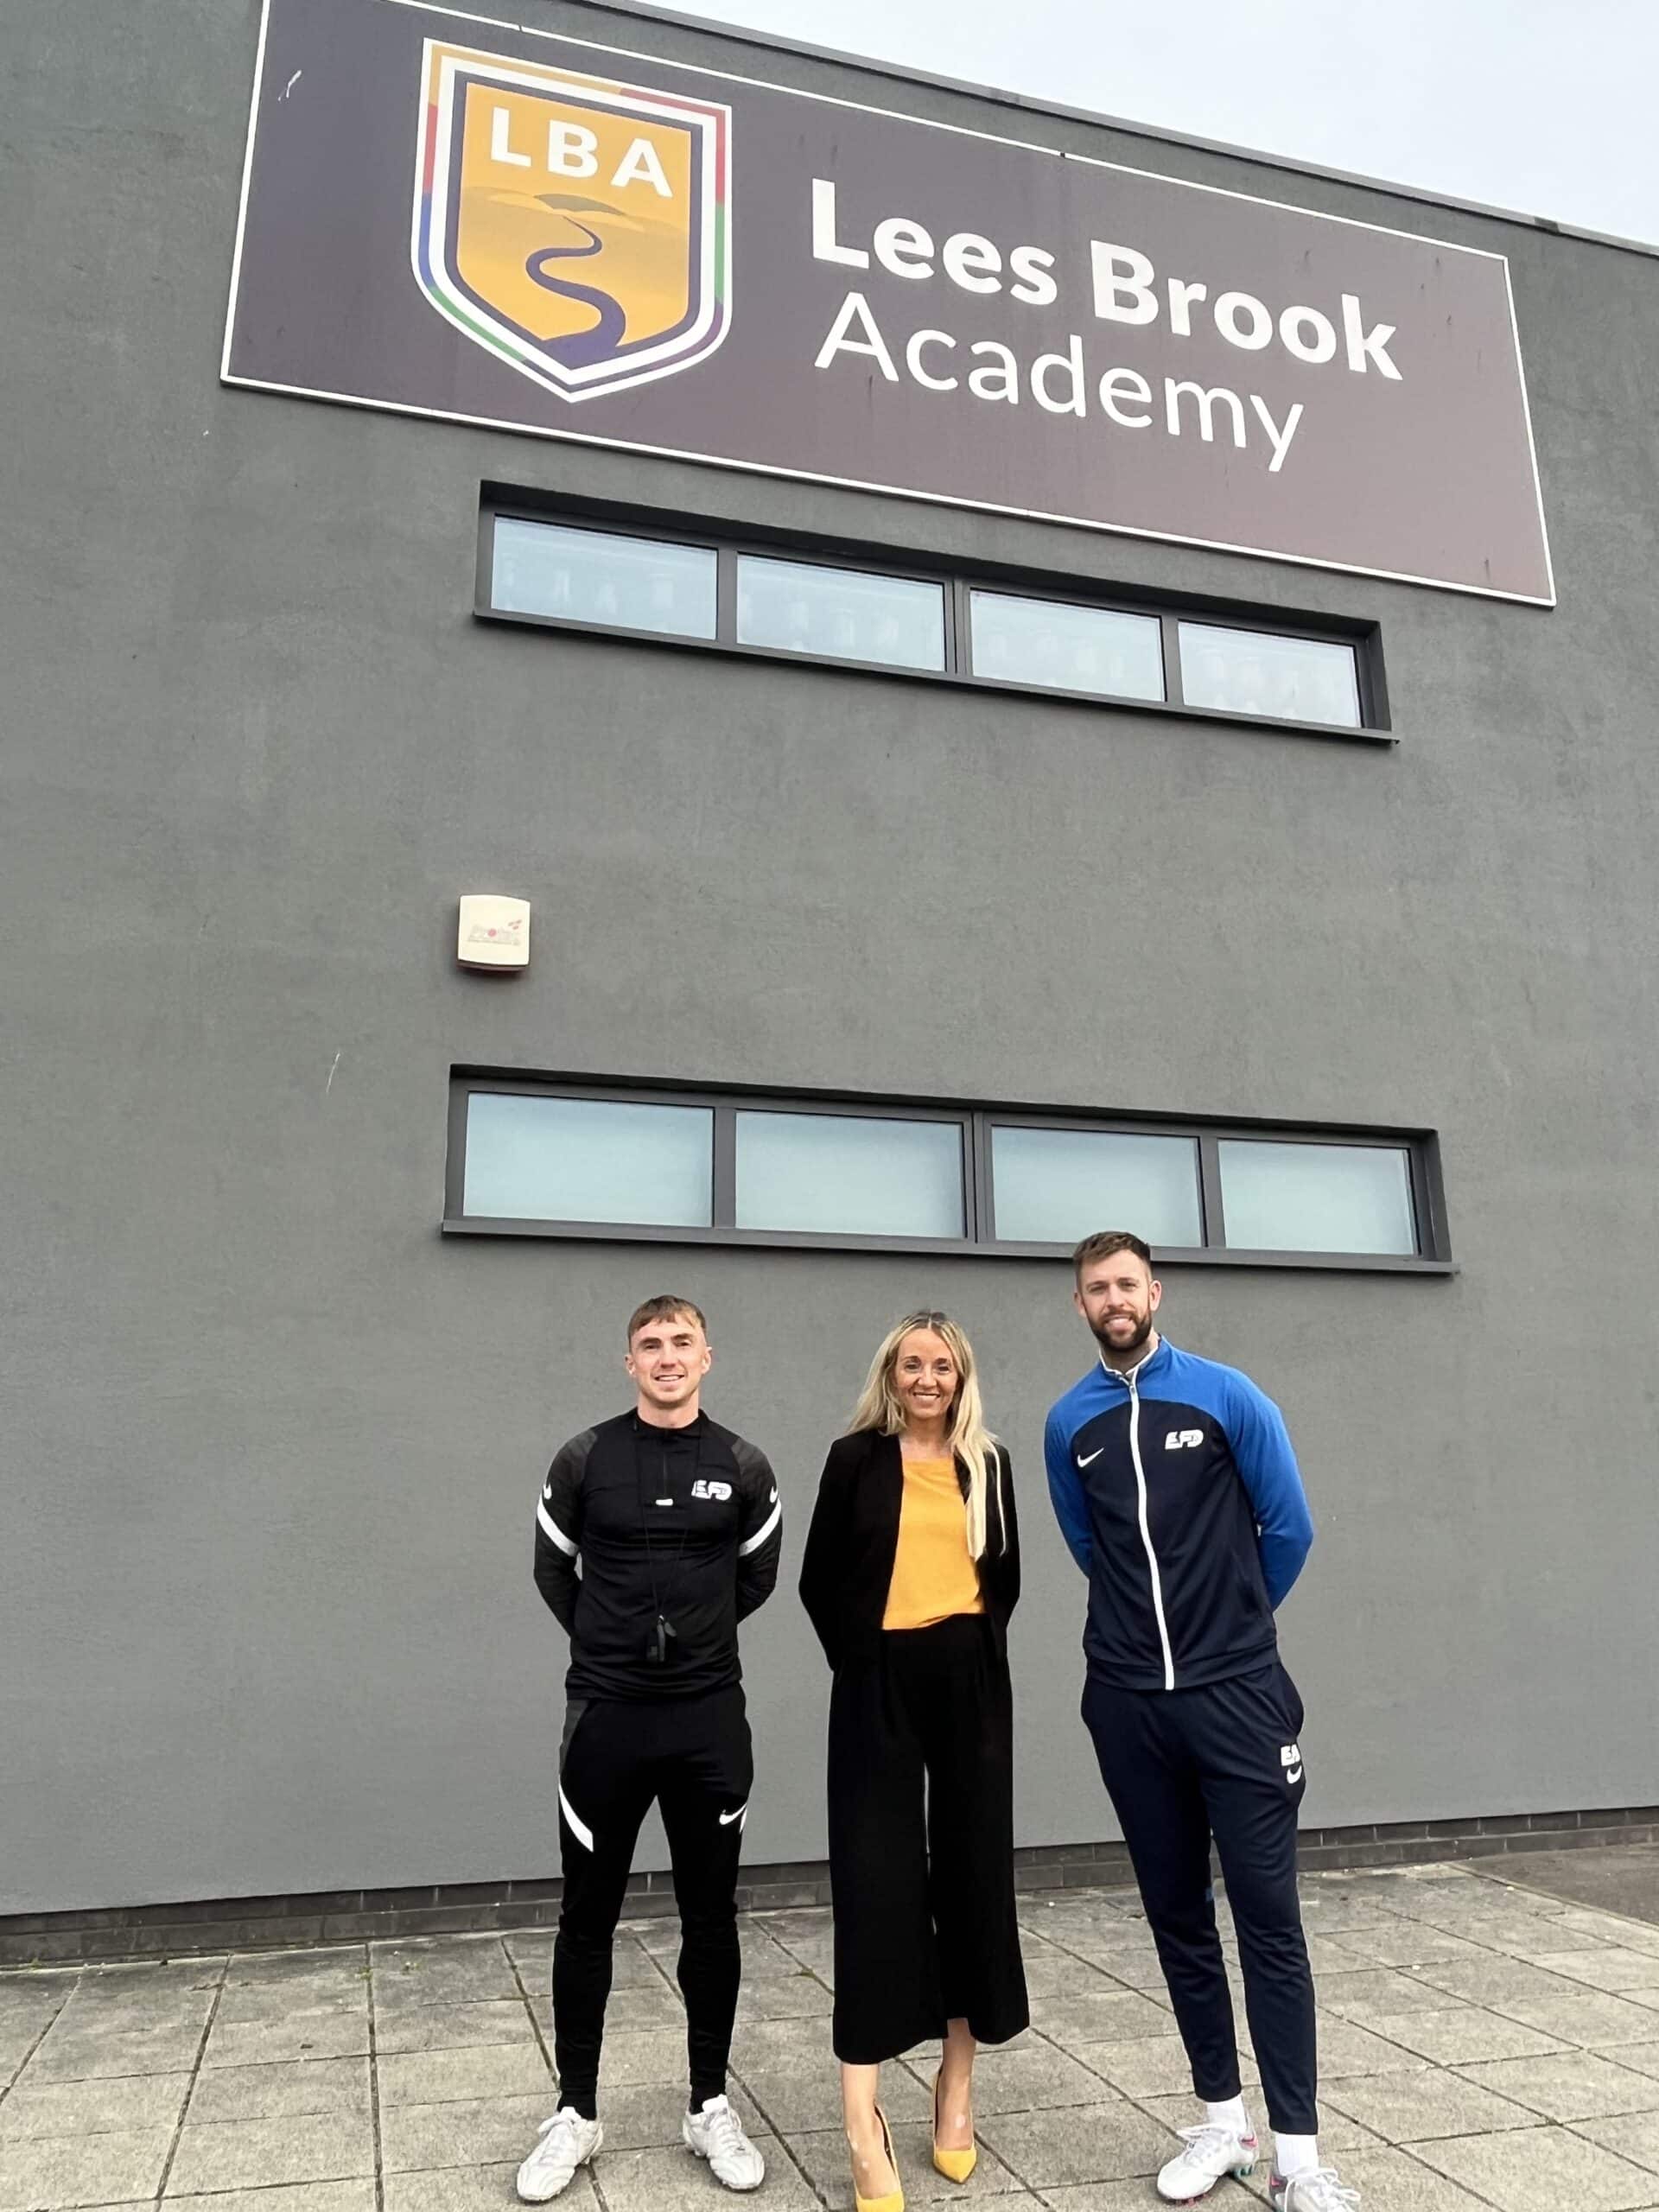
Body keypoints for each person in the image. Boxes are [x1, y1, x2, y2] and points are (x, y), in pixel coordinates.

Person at [1044, 1232, 1357, 2212]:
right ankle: (1223, 2120)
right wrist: (1151, 1644)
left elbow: (1290, 1524)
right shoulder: (1070, 1423)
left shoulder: (1228, 1395)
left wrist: (1230, 1625)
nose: (1113, 1298)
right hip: (1129, 1704)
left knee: (1268, 1921)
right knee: (1178, 1917)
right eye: (1097, 1288)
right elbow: (1091, 1547)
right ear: (1081, 1304)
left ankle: (1298, 2157)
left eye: (1126, 1283)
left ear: (1155, 1291)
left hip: (1237, 1696)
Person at [517, 1296, 783, 2202]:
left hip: (707, 1721)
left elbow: (757, 1573)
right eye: (650, 1346)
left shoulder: (741, 1463)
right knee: (585, 1917)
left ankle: (708, 2102)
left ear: (708, 1354)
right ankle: (575, 2112)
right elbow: (554, 1567)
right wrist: (610, 1641)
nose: (666, 1358)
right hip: (607, 1720)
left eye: (681, 1343)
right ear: (628, 1362)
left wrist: (696, 1640)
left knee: (711, 1918)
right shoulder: (585, 1457)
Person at [799, 1312, 1027, 2212]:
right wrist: (867, 1659)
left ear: (961, 1376)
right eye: (911, 1364)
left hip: (968, 1676)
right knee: (874, 1881)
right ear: (890, 1376)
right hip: (877, 1680)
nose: (926, 1377)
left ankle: (956, 2086)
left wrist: (965, 1651)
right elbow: (820, 1577)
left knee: (973, 1875)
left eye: (941, 1365)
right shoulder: (853, 1458)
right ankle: (863, 2122)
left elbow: (1004, 1578)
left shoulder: (989, 1464)